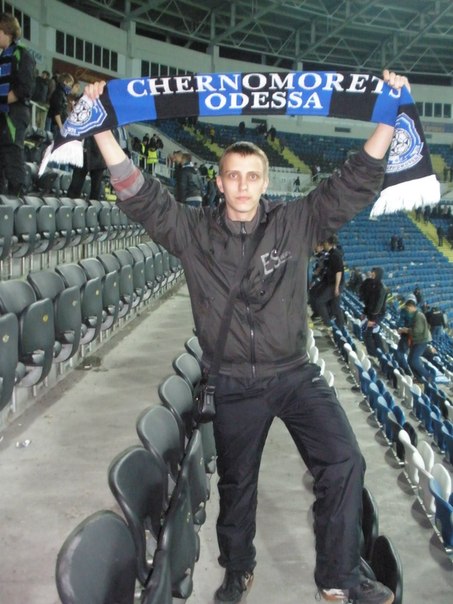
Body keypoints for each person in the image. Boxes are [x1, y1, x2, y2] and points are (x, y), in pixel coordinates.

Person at [84, 69, 408, 604]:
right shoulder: (193, 232)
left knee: (345, 460)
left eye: (251, 176)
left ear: (264, 181)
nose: (241, 185)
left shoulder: (296, 221)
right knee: (237, 486)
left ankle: (339, 576)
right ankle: (238, 569)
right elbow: (141, 197)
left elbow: (351, 184)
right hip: (233, 380)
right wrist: (100, 126)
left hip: (295, 373)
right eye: (232, 176)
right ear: (219, 183)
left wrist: (388, 115)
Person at [0, 13, 35, 196]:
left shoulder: (22, 54)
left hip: (14, 114)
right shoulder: (3, 56)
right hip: (3, 114)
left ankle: (17, 201)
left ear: (6, 30)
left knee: (13, 156)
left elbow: (24, 89)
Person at [312, 235, 345, 331]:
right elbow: (325, 266)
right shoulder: (330, 254)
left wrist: (336, 287)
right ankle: (340, 326)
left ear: (328, 243)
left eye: (325, 242)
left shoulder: (335, 255)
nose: (324, 244)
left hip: (335, 284)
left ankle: (328, 324)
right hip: (332, 283)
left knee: (320, 301)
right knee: (335, 306)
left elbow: (338, 272)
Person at [398, 297, 432, 383]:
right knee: (410, 360)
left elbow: (417, 330)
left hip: (421, 341)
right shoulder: (414, 315)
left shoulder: (418, 316)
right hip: (416, 340)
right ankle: (418, 379)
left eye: (408, 308)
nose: (407, 310)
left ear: (412, 307)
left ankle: (428, 376)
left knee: (414, 360)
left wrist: (406, 330)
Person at [66, 135, 107, 200]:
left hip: (98, 156)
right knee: (75, 185)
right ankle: (70, 204)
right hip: (82, 156)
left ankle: (94, 206)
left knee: (96, 188)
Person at [359, 267, 388, 357]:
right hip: (371, 313)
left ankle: (373, 354)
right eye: (372, 273)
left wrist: (372, 319)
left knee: (367, 333)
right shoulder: (372, 285)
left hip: (377, 315)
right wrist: (364, 312)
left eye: (373, 274)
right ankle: (382, 353)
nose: (371, 275)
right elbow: (369, 302)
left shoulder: (381, 288)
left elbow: (378, 307)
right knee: (374, 333)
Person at [47, 72, 74, 139]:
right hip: (55, 125)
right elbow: (57, 112)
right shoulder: (59, 94)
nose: (70, 87)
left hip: (57, 124)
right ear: (65, 82)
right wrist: (61, 127)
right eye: (70, 84)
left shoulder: (62, 94)